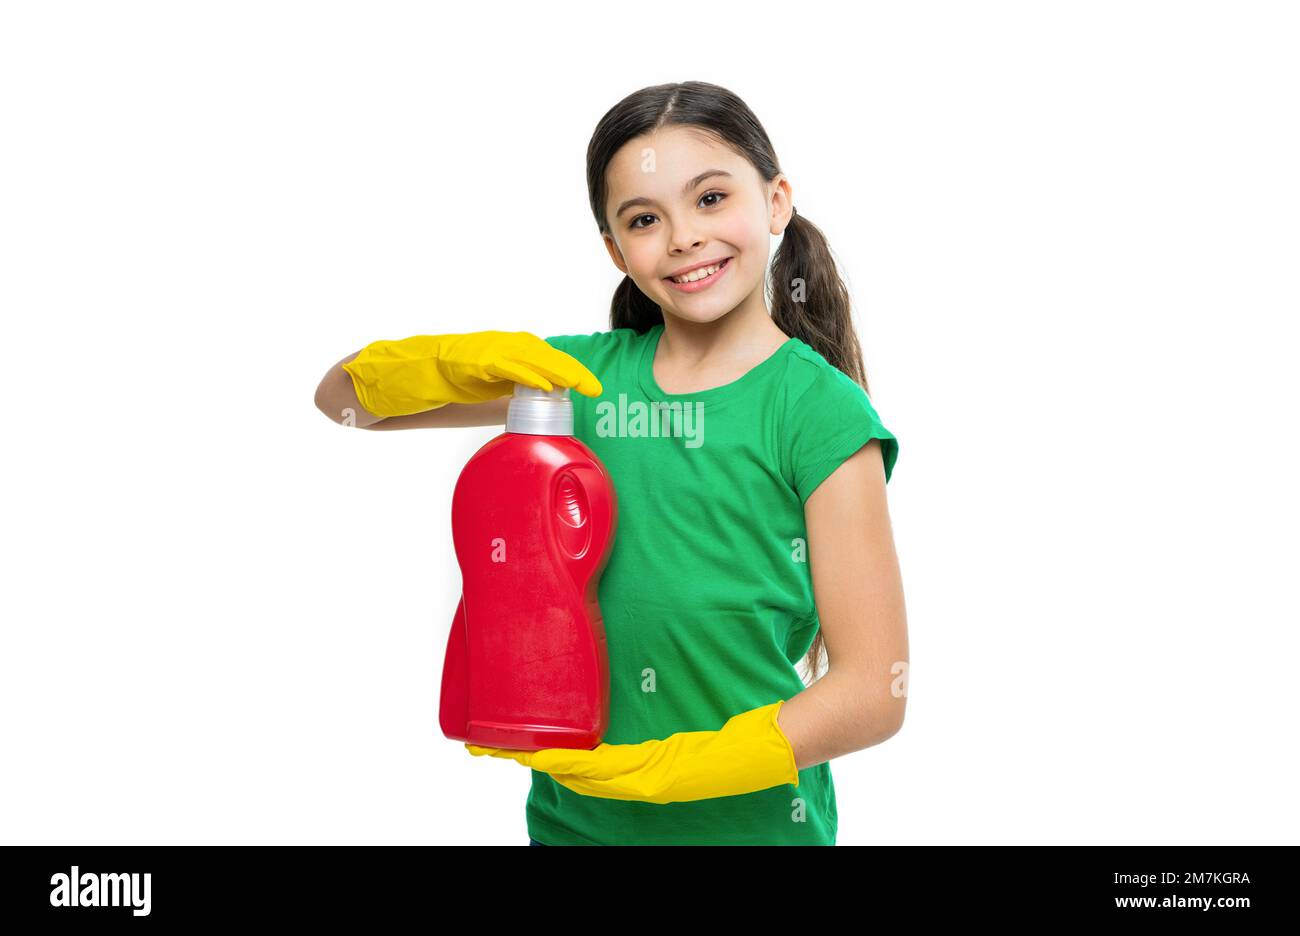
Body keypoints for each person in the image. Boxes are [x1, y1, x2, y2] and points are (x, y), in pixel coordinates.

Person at [315, 80, 908, 845]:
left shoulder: (817, 411)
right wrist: (449, 363)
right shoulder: (577, 385)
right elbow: (342, 402)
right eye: (644, 219)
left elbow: (873, 692)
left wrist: (679, 770)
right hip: (576, 823)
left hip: (756, 830)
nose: (684, 237)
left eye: (711, 198)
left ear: (776, 202)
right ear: (614, 250)